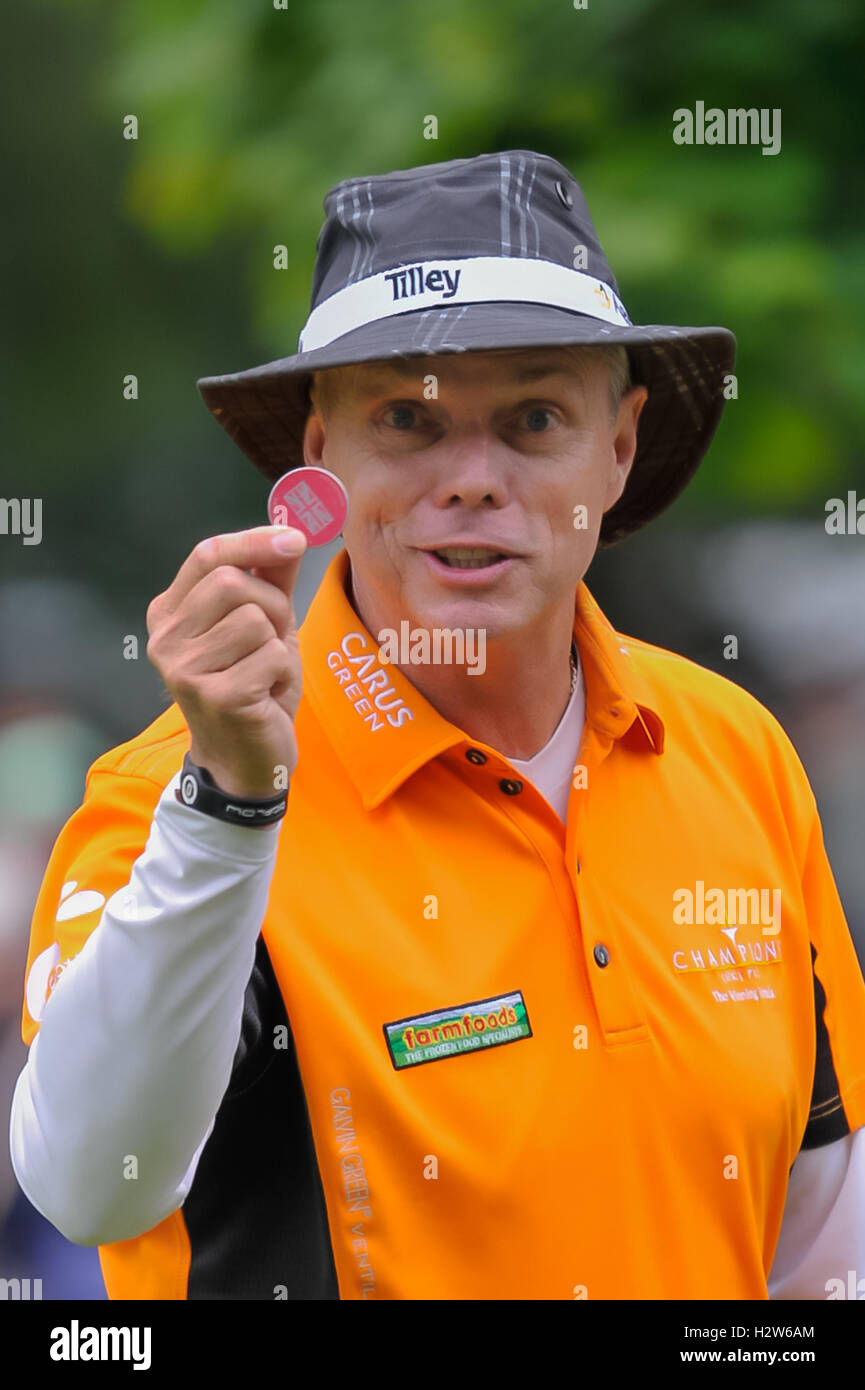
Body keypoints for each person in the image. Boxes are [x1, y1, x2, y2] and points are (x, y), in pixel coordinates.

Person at [9, 150, 865, 1301]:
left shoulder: (735, 746)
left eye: (532, 416)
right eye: (408, 418)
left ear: (615, 449)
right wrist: (228, 807)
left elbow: (819, 1237)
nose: (470, 477)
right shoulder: (177, 793)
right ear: (321, 458)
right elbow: (86, 1188)